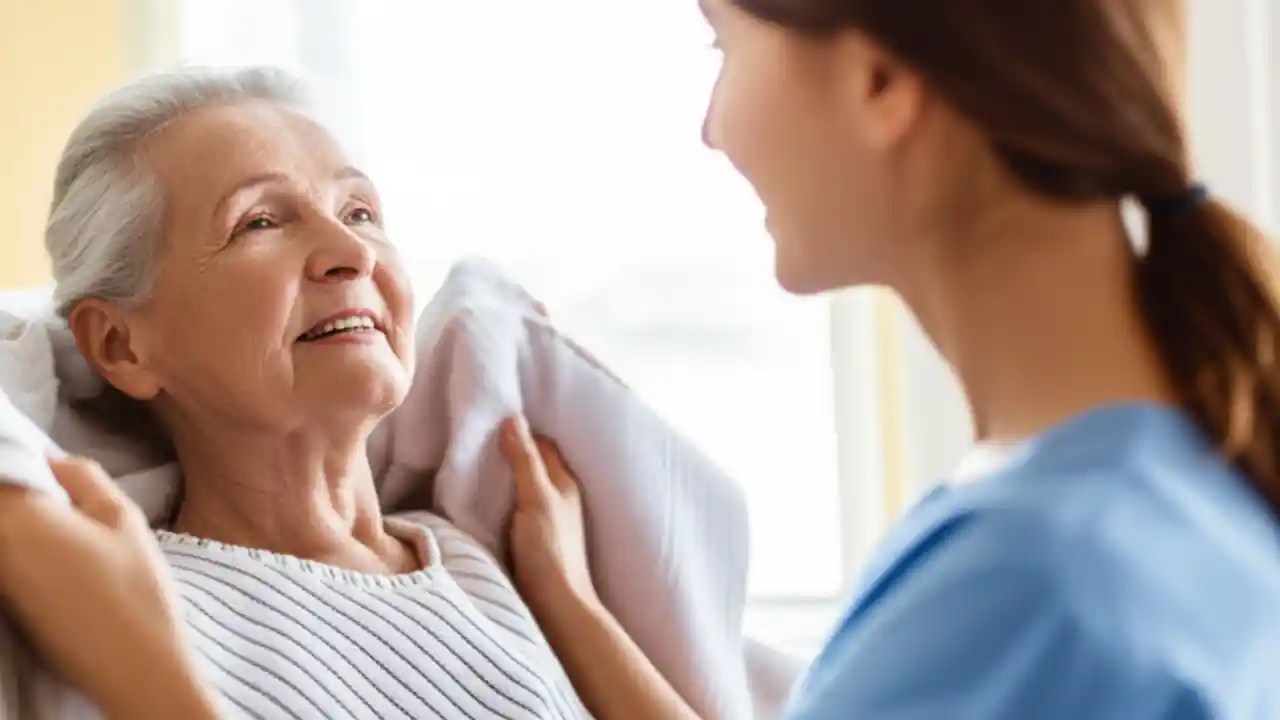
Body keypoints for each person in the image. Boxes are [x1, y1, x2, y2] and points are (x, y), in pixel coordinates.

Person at [3, 0, 1280, 717]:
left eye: (724, 47)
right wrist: (570, 602)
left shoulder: (1036, 593)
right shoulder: (1105, 520)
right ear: (118, 343)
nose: (711, 125)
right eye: (262, 221)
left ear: (883, 83)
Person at [0, 68, 590, 719]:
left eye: (359, 211)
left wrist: (569, 599)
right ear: (120, 346)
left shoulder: (468, 562)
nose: (351, 252)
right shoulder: (117, 619)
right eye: (258, 222)